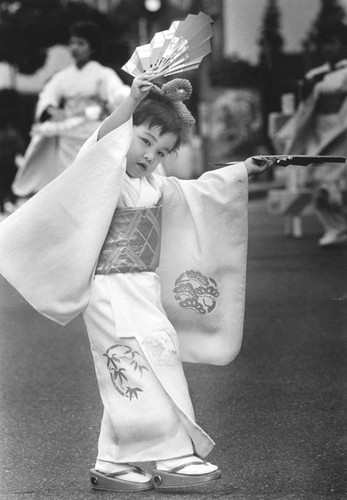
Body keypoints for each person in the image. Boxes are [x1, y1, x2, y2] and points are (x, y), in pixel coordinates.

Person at [0, 74, 274, 492]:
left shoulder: (152, 185)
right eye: (145, 141)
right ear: (127, 133)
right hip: (110, 288)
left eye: (162, 151)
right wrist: (129, 102)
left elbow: (196, 194)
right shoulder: (104, 172)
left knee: (132, 365)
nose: (150, 156)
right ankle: (174, 452)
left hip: (140, 285)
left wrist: (241, 172)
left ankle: (111, 461)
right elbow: (102, 142)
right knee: (146, 359)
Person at [11, 20, 130, 202]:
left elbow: (117, 93)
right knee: (65, 183)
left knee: (91, 184)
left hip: (92, 136)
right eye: (72, 43)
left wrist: (129, 95)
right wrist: (51, 109)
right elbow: (47, 94)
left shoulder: (102, 74)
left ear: (93, 47)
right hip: (66, 138)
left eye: (81, 43)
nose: (74, 48)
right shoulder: (63, 76)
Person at [277, 25, 347, 247]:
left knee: (332, 182)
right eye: (326, 43)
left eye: (334, 42)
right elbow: (304, 109)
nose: (329, 48)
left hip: (343, 132)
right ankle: (336, 227)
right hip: (321, 133)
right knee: (318, 182)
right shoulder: (315, 75)